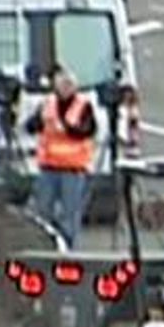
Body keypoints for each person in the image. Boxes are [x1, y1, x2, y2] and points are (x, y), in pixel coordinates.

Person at [24, 65, 98, 250]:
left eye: (68, 85)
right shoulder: (47, 104)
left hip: (73, 170)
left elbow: (88, 130)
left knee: (70, 215)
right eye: (62, 85)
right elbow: (31, 126)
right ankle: (41, 246)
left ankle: (68, 249)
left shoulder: (83, 105)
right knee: (43, 212)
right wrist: (36, 121)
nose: (65, 88)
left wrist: (67, 128)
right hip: (48, 167)